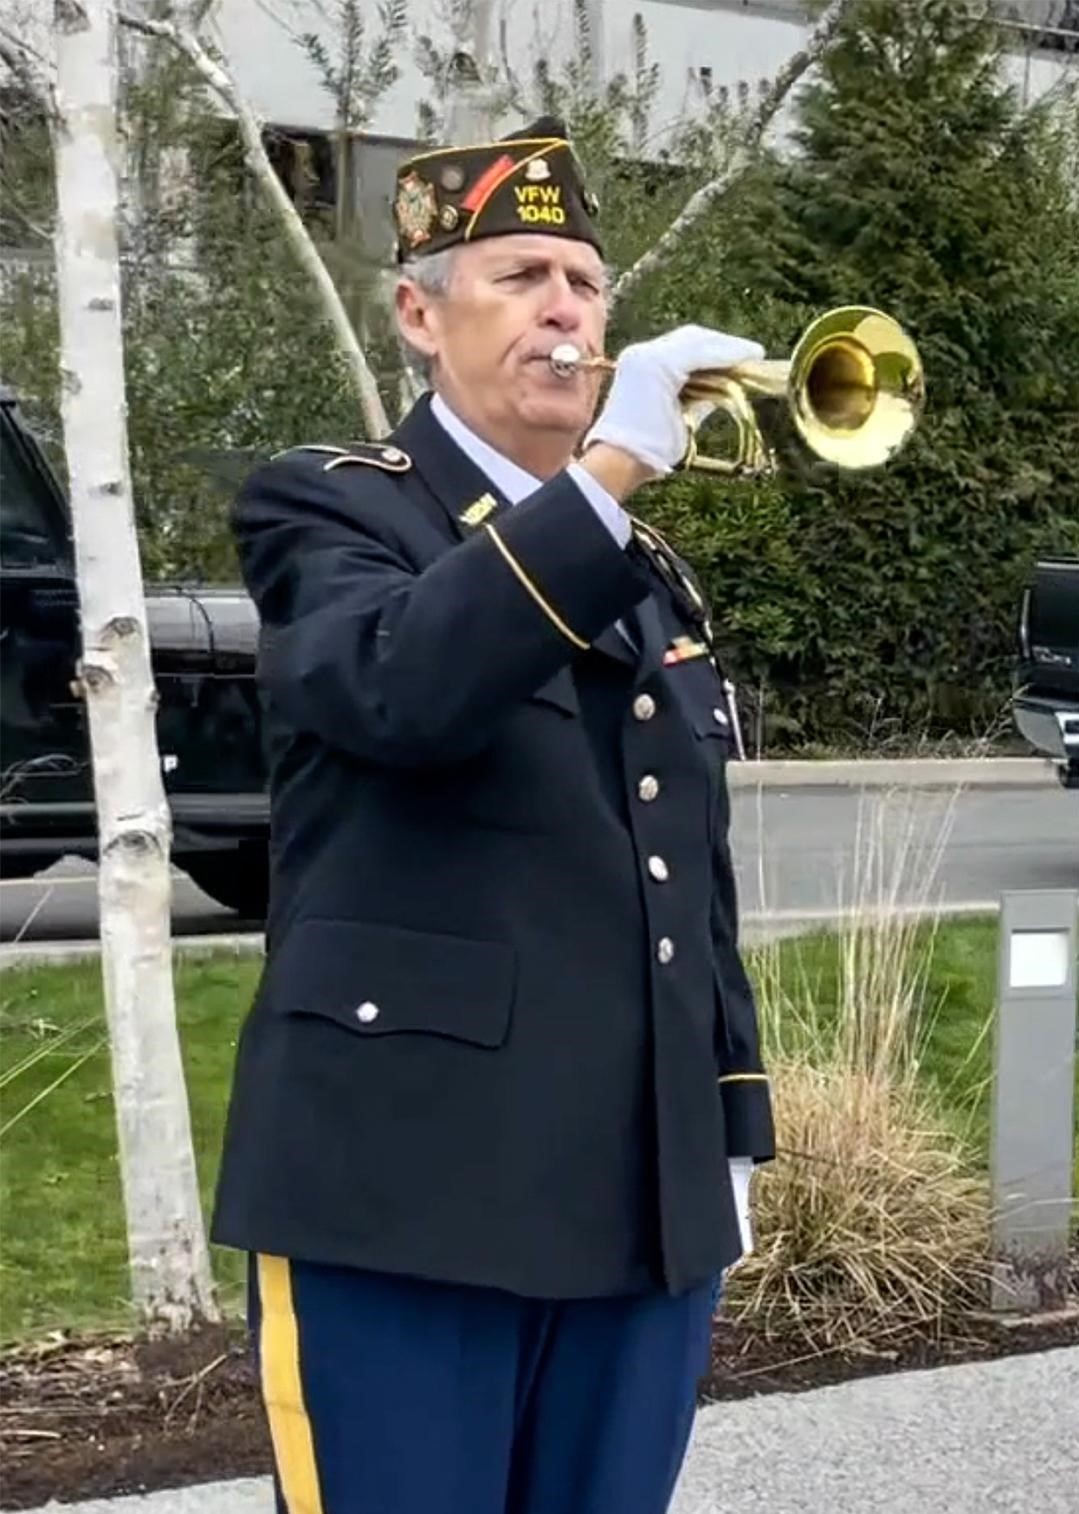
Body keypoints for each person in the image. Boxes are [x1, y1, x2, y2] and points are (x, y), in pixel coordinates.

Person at [211, 114, 775, 1514]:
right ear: (418, 313)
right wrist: (606, 484)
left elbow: (685, 869)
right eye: (521, 275)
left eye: (585, 281)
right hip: (407, 1182)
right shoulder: (329, 512)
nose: (567, 310)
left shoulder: (636, 567)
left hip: (638, 1191)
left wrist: (729, 1115)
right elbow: (403, 688)